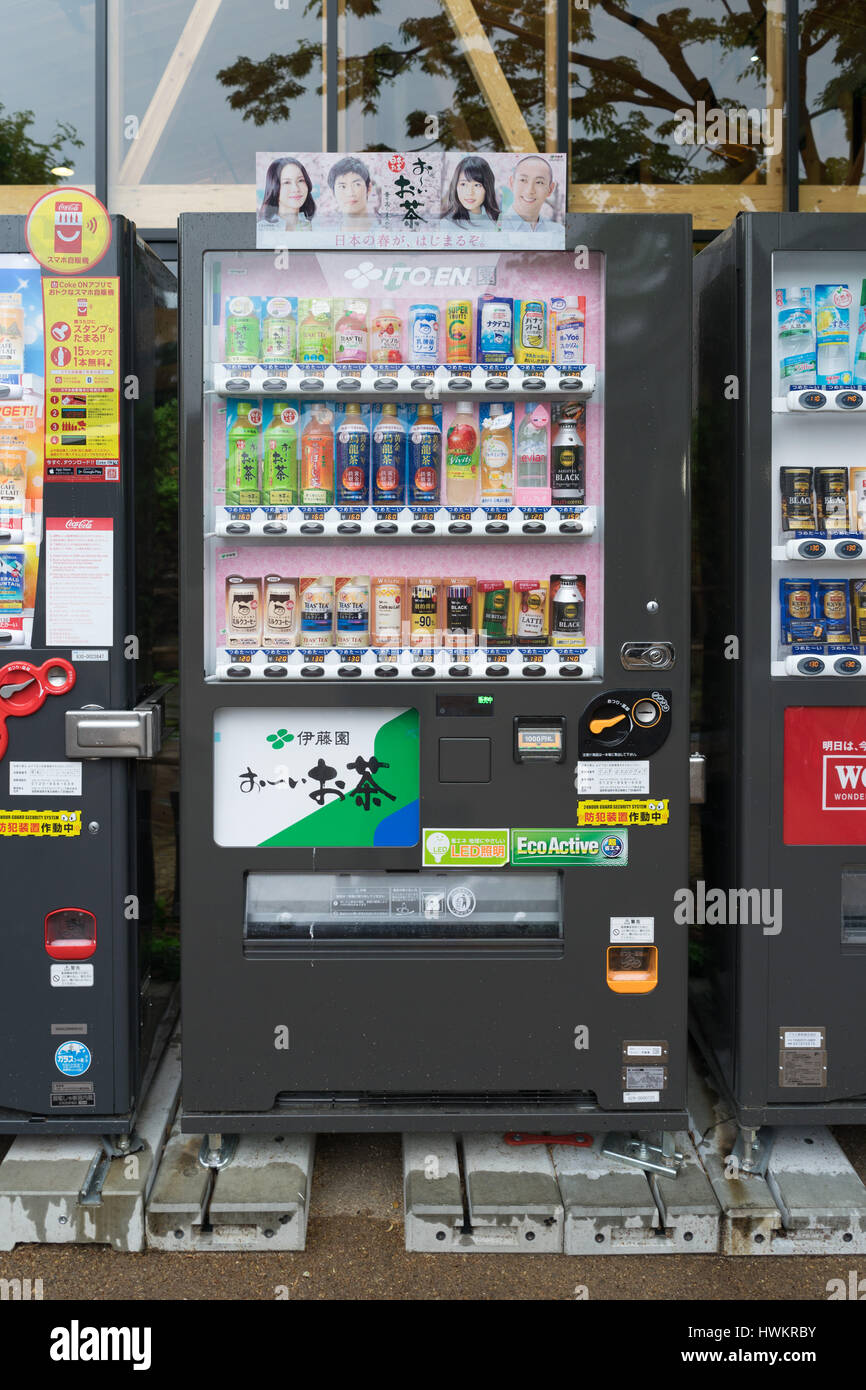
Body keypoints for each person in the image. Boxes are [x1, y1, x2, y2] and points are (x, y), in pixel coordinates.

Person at [498, 154, 562, 243]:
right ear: (512, 183)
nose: (530, 190)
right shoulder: (493, 227)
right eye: (523, 180)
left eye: (539, 182)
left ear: (550, 189)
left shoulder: (559, 233)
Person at [257, 157, 316, 234]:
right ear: (274, 187)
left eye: (300, 180)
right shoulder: (261, 231)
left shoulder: (319, 227)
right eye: (287, 182)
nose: (296, 189)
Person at [443, 155, 501, 226]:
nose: (470, 192)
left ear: (487, 188)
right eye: (463, 184)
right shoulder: (446, 224)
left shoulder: (498, 221)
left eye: (477, 185)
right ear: (455, 186)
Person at [327, 156, 380, 229]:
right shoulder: (327, 234)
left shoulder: (383, 232)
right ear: (333, 192)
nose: (350, 193)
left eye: (357, 185)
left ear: (369, 188)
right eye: (342, 186)